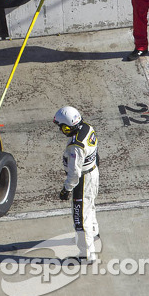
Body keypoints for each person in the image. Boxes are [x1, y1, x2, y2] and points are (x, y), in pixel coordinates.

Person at [54, 106, 99, 262]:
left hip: (83, 181)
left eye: (63, 128)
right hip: (93, 173)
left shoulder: (76, 146)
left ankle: (86, 254)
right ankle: (94, 234)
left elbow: (74, 173)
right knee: (90, 207)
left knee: (80, 218)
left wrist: (66, 189)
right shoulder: (87, 128)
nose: (62, 131)